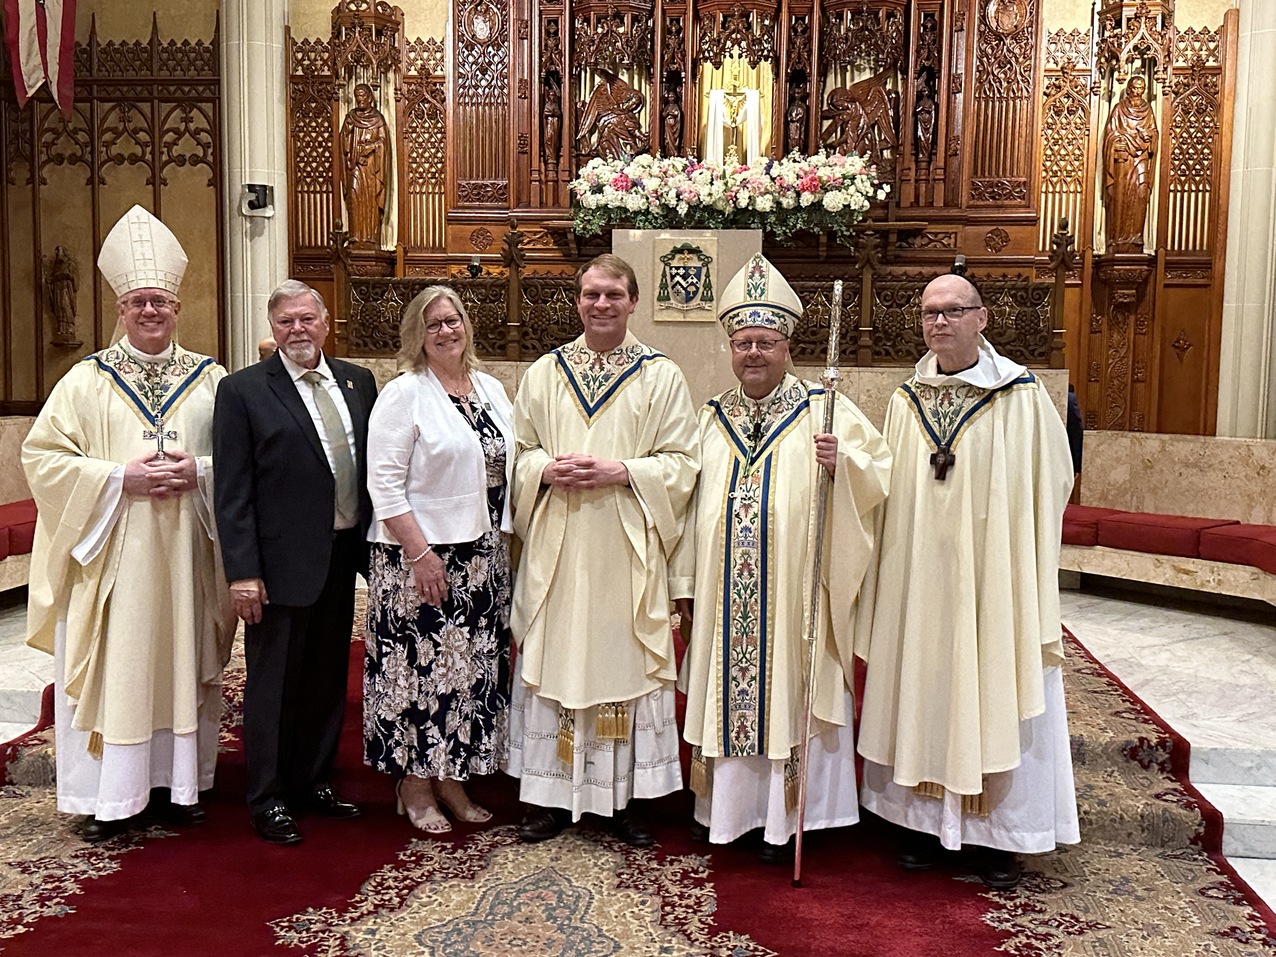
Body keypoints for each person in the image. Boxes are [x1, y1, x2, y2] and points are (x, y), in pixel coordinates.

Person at [855, 270, 1079, 889]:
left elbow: (1052, 480)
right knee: (925, 676)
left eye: (954, 310)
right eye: (929, 312)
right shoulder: (906, 401)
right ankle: (922, 824)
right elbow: (881, 486)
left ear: (983, 318)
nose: (940, 322)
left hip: (992, 575)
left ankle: (996, 835)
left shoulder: (1020, 396)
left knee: (992, 678)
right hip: (921, 573)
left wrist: (1014, 545)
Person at [23, 205, 233, 842]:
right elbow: (43, 457)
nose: (150, 311)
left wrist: (199, 470)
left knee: (180, 656)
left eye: (161, 302)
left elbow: (245, 462)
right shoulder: (83, 382)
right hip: (114, 559)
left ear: (177, 308)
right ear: (119, 307)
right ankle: (109, 796)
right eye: (139, 301)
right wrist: (120, 479)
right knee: (122, 666)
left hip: (187, 556)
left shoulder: (212, 380)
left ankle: (178, 787)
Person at [673, 255, 891, 862]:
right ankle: (725, 808)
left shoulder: (826, 410)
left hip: (796, 595)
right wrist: (684, 582)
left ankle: (787, 816)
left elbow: (880, 476)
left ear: (788, 346)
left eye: (766, 342)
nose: (753, 354)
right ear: (730, 348)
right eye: (743, 343)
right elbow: (691, 507)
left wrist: (841, 463)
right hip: (726, 598)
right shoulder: (711, 417)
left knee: (790, 689)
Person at [505, 253, 700, 846]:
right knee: (557, 661)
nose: (601, 304)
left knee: (621, 665)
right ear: (578, 300)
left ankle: (623, 799)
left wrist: (622, 470)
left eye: (613, 294)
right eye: (591, 294)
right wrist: (544, 470)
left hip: (625, 547)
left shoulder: (660, 376)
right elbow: (518, 452)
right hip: (559, 550)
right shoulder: (545, 372)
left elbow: (684, 463)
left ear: (633, 301)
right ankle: (548, 796)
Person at [213, 280, 378, 845]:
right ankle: (267, 796)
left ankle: (312, 781)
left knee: (327, 676)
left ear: (326, 322)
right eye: (286, 322)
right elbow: (232, 492)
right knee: (273, 683)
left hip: (342, 555)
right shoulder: (243, 392)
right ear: (272, 328)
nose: (298, 330)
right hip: (279, 565)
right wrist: (242, 572)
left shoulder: (358, 382)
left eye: (307, 319)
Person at [364, 286, 514, 834]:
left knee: (468, 674)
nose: (448, 331)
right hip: (420, 558)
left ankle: (452, 776)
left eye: (454, 319)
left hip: (481, 555)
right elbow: (382, 482)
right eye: (434, 326)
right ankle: (415, 783)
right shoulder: (404, 393)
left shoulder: (493, 389)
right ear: (417, 336)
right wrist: (420, 553)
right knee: (419, 673)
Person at [1102, 74, 1157, 253]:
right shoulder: (1119, 109)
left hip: (1140, 157)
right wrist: (1118, 139)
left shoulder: (1147, 110)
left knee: (1141, 192)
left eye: (1141, 88)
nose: (1137, 91)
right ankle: (1117, 237)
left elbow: (1154, 134)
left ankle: (1136, 236)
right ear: (1128, 88)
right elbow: (1110, 134)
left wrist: (1149, 137)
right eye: (1134, 87)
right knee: (1120, 195)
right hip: (1123, 158)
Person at [340, 82, 391, 246]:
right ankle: (355, 236)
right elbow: (343, 143)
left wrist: (372, 147)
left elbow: (384, 143)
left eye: (362, 95)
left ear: (369, 97)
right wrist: (347, 133)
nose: (359, 99)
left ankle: (371, 237)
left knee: (371, 200)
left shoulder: (378, 119)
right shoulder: (351, 118)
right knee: (354, 196)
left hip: (372, 169)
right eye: (357, 96)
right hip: (355, 165)